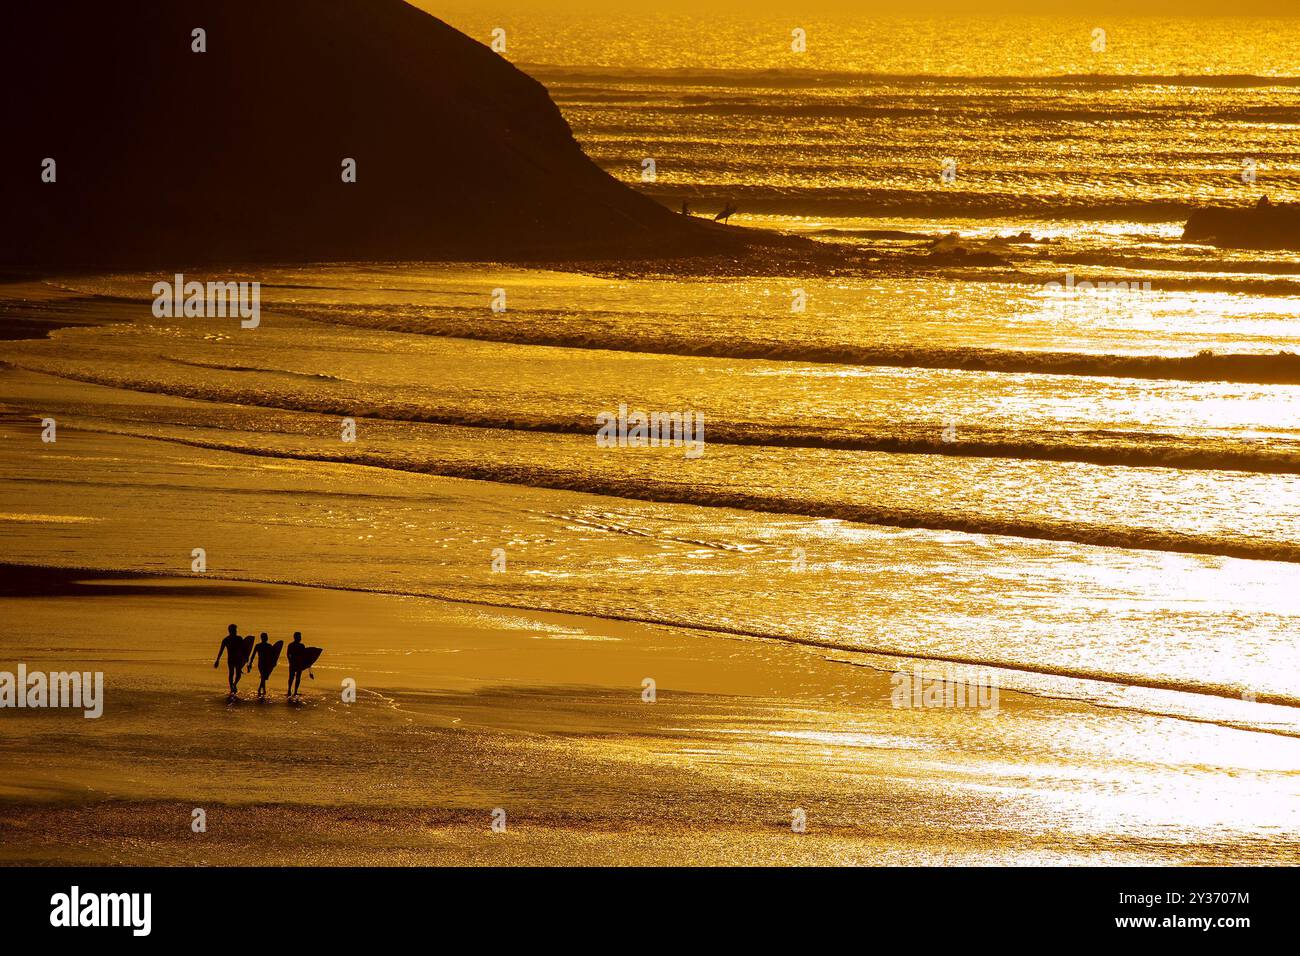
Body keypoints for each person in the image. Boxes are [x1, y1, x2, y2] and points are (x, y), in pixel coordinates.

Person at [213, 624, 250, 696]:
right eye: (235, 630)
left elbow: (244, 649)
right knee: (231, 673)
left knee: (238, 674)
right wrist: (217, 660)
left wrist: (246, 659)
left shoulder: (239, 638)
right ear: (231, 631)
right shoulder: (226, 640)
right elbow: (221, 650)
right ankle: (231, 687)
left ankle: (234, 684)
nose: (236, 631)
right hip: (231, 659)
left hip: (237, 659)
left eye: (236, 630)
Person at [285, 631, 323, 698]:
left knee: (297, 677)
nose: (300, 638)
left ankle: (294, 691)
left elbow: (304, 656)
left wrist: (308, 664)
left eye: (300, 637)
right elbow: (288, 654)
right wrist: (290, 661)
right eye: (299, 637)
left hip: (297, 663)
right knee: (291, 677)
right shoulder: (292, 645)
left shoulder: (301, 645)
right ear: (295, 637)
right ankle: (289, 691)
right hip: (294, 663)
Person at [247, 632, 284, 699]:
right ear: (264, 638)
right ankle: (260, 690)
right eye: (266, 637)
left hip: (261, 664)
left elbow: (253, 655)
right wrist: (273, 663)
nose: (267, 638)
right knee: (263, 677)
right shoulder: (268, 646)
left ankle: (263, 691)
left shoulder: (258, 645)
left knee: (263, 677)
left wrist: (250, 663)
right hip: (265, 664)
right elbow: (273, 656)